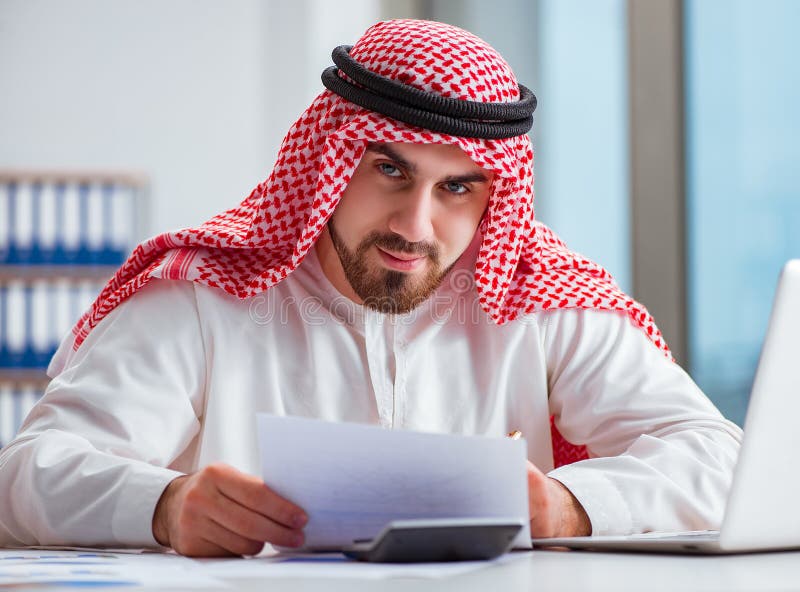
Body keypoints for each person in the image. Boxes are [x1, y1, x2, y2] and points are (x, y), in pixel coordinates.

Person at [0, 19, 741, 557]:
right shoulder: (205, 292)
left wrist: (572, 506)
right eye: (389, 170)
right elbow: (27, 475)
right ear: (332, 158)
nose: (415, 226)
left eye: (457, 187)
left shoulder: (537, 297)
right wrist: (163, 506)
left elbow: (722, 456)